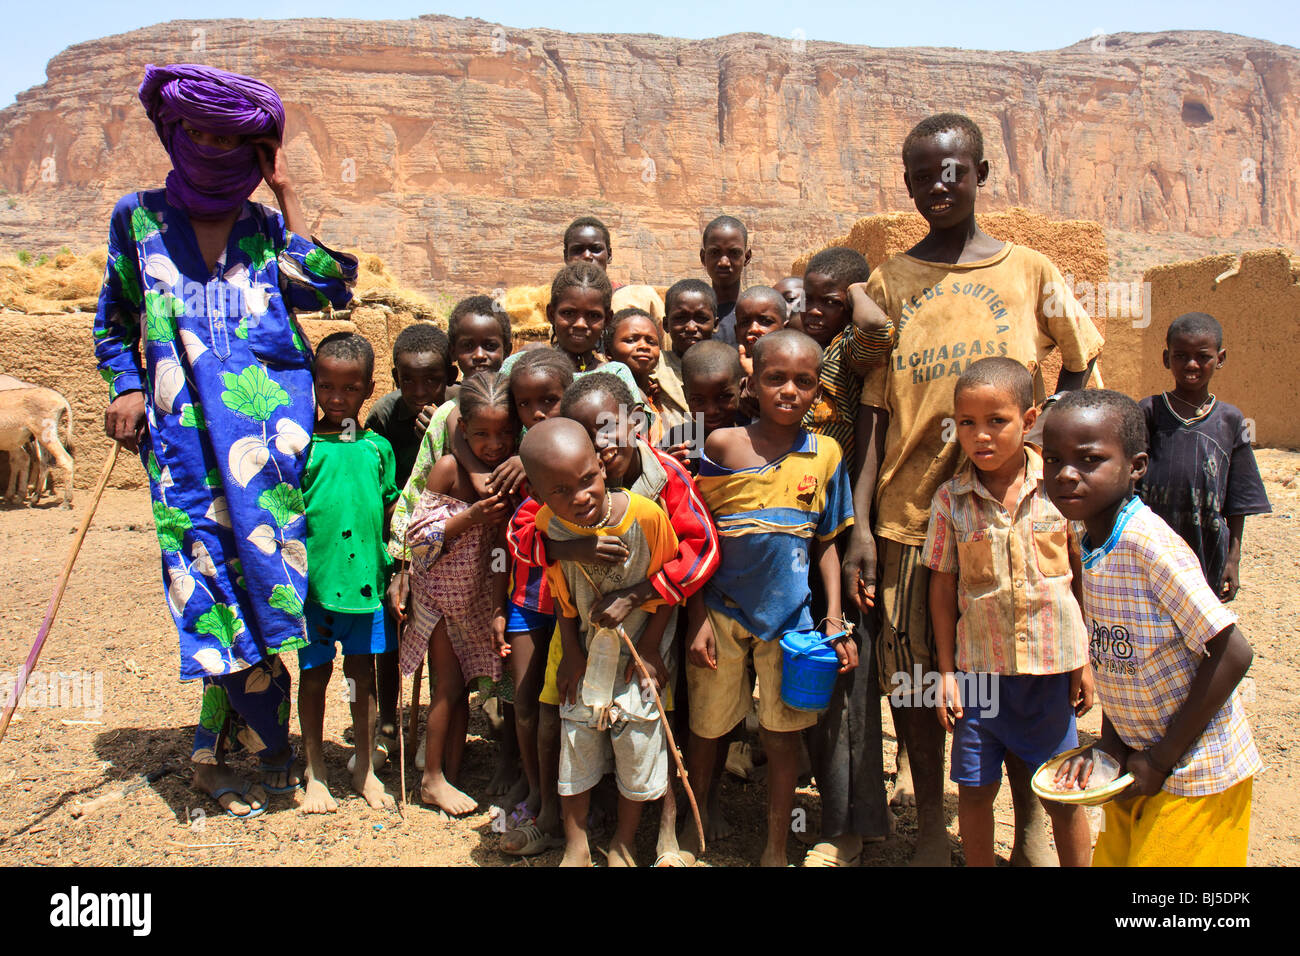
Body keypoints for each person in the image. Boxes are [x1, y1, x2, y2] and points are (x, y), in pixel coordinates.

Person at [843, 111, 1104, 865]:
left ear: (983, 174)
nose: (941, 185)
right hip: (908, 519)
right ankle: (932, 824)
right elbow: (874, 421)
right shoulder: (893, 280)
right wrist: (861, 525)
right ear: (908, 184)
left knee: (1021, 677)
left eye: (955, 170)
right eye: (924, 174)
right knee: (923, 686)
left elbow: (1080, 361)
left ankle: (1028, 821)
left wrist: (1045, 432)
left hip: (1011, 521)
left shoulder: (1032, 272)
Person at [96, 63, 356, 817]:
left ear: (253, 146)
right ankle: (242, 754)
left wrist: (287, 192)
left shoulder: (265, 229)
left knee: (267, 589)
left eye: (227, 135)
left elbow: (330, 286)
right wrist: (127, 386)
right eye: (199, 132)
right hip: (183, 451)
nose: (211, 145)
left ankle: (235, 743)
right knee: (209, 591)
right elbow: (113, 320)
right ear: (175, 134)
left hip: (269, 450)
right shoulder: (136, 220)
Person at [1045, 390, 1262, 866]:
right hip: (1141, 762)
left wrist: (1161, 758)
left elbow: (1232, 651)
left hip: (1195, 773)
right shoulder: (1091, 542)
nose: (1065, 474)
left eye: (1089, 460)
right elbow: (1120, 658)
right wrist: (1113, 745)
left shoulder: (1148, 545)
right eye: (1053, 459)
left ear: (1137, 466)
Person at [513, 372, 721, 865]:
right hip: (577, 623)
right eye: (589, 435)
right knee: (561, 713)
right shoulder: (564, 480)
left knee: (652, 718)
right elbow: (521, 534)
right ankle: (552, 819)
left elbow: (702, 547)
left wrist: (639, 595)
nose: (603, 447)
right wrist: (573, 545)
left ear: (638, 423)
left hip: (650, 627)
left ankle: (664, 828)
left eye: (611, 430)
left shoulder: (665, 477)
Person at [684, 329, 856, 866]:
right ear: (751, 384)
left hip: (791, 621)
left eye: (804, 382)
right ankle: (693, 833)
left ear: (817, 392)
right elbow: (696, 538)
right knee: (708, 728)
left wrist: (832, 617)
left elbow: (826, 545)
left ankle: (776, 847)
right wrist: (695, 618)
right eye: (775, 378)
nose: (789, 391)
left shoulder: (825, 454)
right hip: (721, 612)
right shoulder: (722, 446)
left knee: (783, 739)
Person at [924, 358, 1093, 865]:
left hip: (1050, 671)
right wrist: (947, 674)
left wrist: (1084, 660)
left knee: (1063, 795)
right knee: (975, 789)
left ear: (1030, 417)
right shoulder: (950, 500)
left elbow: (1083, 579)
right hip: (980, 679)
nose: (981, 436)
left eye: (997, 421)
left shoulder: (1063, 492)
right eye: (967, 423)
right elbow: (942, 587)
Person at [397, 372, 516, 814]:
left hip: (479, 597)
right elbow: (420, 535)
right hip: (441, 598)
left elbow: (505, 550)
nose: (494, 444)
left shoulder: (508, 476)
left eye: (504, 433)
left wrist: (499, 601)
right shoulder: (448, 468)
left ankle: (451, 768)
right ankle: (431, 778)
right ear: (462, 430)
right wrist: (468, 519)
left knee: (465, 683)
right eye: (482, 434)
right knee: (445, 687)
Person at [297, 333, 398, 814]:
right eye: (326, 386)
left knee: (362, 678)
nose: (337, 398)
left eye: (350, 388)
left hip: (366, 590)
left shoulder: (378, 449)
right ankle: (314, 768)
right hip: (314, 591)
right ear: (313, 384)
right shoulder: (301, 447)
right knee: (314, 678)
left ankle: (364, 766)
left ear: (368, 389)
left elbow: (390, 508)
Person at [366, 321, 455, 761]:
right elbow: (374, 474)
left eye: (432, 380)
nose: (421, 390)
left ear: (450, 375)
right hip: (396, 536)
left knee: (439, 630)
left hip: (446, 537)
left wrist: (436, 434)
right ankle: (389, 720)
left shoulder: (458, 412)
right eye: (409, 381)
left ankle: (437, 727)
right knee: (393, 625)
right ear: (394, 377)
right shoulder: (384, 415)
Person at [1139, 312, 1270, 602]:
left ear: (1220, 359)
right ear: (1166, 358)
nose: (1191, 365)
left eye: (1203, 356)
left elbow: (1239, 499)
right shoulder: (1150, 412)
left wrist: (1232, 559)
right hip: (1153, 546)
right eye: (1181, 356)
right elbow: (1128, 483)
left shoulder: (1230, 420)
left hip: (1206, 548)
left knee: (1202, 634)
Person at [659, 340, 748, 471]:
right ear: (686, 396)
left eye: (723, 397)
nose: (711, 411)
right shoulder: (678, 439)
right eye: (699, 400)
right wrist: (668, 469)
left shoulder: (755, 438)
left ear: (741, 388)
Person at [604, 306, 687, 444]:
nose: (644, 346)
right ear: (608, 352)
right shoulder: (609, 399)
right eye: (631, 340)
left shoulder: (660, 394)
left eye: (651, 342)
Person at [563, 215, 666, 324]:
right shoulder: (555, 300)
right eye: (578, 250)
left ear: (609, 255)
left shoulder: (641, 298)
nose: (587, 256)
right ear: (566, 256)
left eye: (596, 249)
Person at [700, 215, 752, 345]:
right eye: (715, 253)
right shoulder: (694, 317)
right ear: (703, 257)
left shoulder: (757, 315)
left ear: (747, 257)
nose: (724, 262)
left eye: (734, 253)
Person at [733, 285, 788, 377]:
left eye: (766, 321)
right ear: (736, 332)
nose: (753, 329)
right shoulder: (729, 374)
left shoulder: (796, 370)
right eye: (745, 322)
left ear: (785, 329)